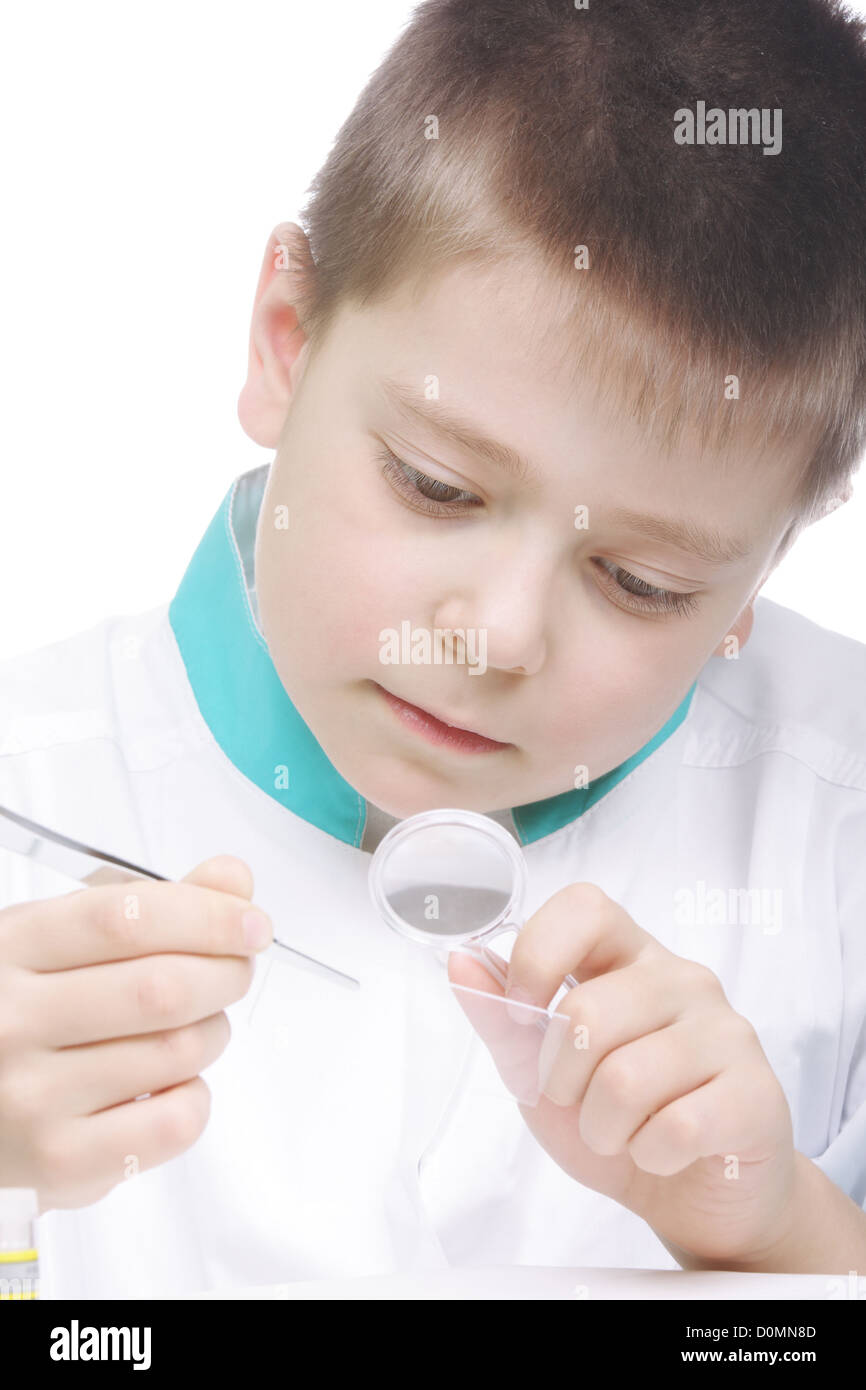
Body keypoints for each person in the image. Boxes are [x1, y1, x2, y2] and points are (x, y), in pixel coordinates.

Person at [1, 0, 866, 1297]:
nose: (499, 636)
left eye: (638, 580)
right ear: (286, 342)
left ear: (754, 576)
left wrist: (777, 1229)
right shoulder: (37, 775)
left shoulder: (835, 816)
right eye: (436, 487)